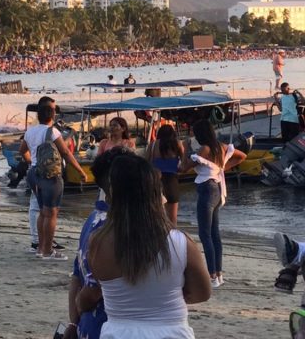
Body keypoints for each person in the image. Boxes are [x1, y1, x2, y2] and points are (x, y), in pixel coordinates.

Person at [87, 154, 212, 338]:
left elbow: (102, 285)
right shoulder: (181, 243)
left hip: (119, 332)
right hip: (171, 332)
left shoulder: (97, 242)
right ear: (156, 193)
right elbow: (202, 293)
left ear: (112, 194)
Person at [63, 148, 128, 339]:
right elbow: (91, 293)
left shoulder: (93, 220)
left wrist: (73, 323)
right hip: (106, 327)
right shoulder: (113, 230)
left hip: (87, 325)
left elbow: (77, 276)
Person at [180, 119, 247, 288]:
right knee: (214, 233)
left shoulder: (205, 149)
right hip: (217, 188)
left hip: (207, 188)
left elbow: (184, 168)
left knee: (205, 233)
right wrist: (223, 167)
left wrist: (185, 149)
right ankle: (219, 274)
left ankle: (212, 275)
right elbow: (242, 156)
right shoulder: (221, 146)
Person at [19, 102, 88, 260]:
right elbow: (66, 153)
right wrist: (80, 171)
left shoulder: (30, 132)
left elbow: (22, 151)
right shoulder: (53, 132)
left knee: (43, 212)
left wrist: (33, 163)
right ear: (53, 116)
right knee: (51, 213)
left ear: (38, 115)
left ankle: (40, 249)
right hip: (50, 176)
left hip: (34, 174)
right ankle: (48, 250)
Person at [142, 123, 183, 225]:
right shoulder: (177, 144)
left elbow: (144, 164)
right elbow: (183, 165)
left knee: (157, 218)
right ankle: (172, 240)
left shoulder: (153, 145)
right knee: (173, 220)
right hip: (172, 182)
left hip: (156, 182)